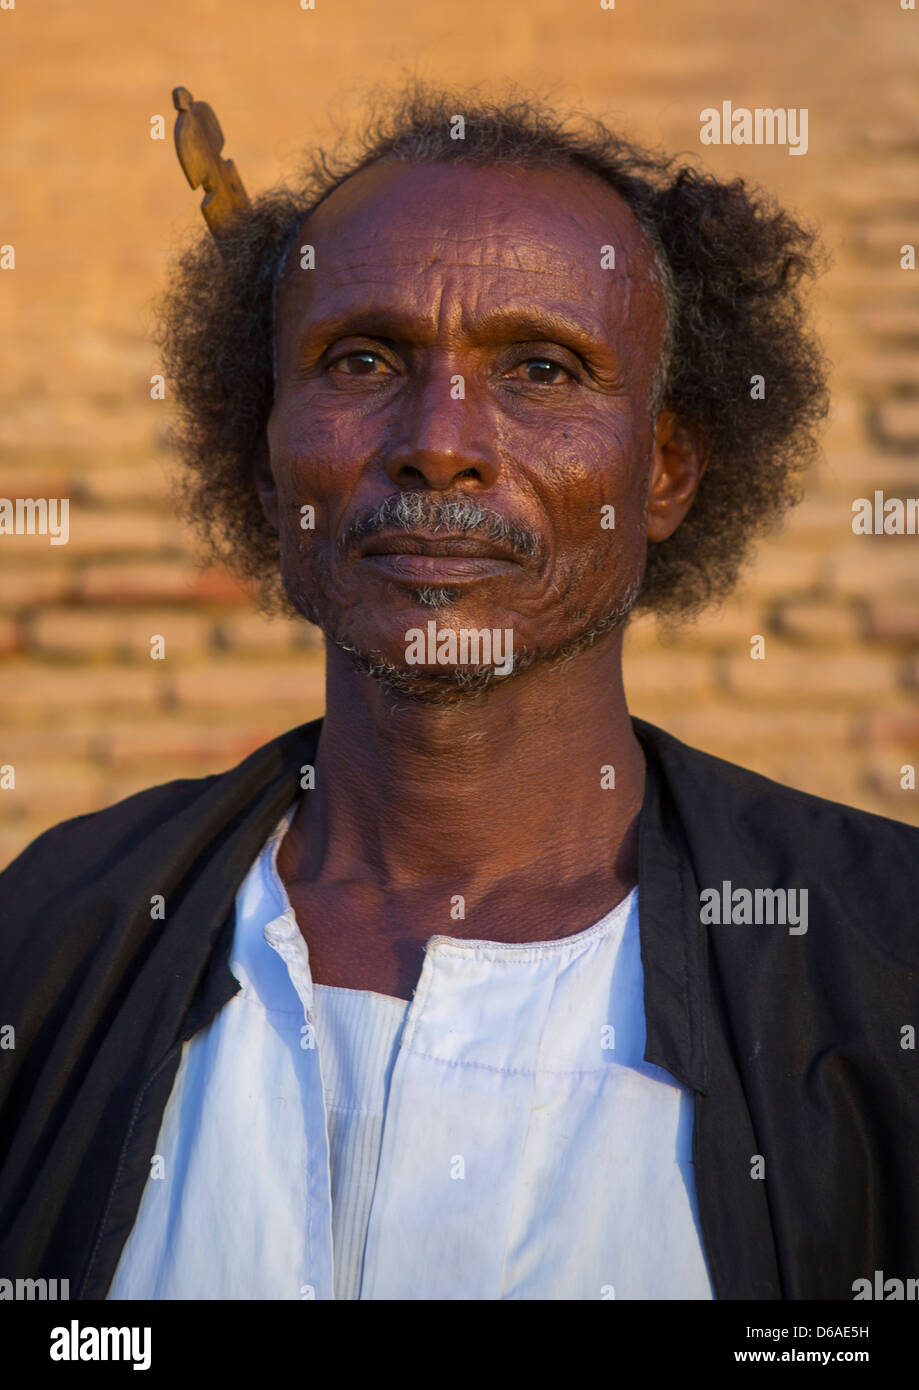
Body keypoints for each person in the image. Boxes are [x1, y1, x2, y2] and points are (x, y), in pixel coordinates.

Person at [1, 83, 917, 1302]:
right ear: (269, 464)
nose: (441, 439)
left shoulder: (881, 957)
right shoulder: (58, 936)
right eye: (362, 358)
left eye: (541, 367)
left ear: (666, 470)